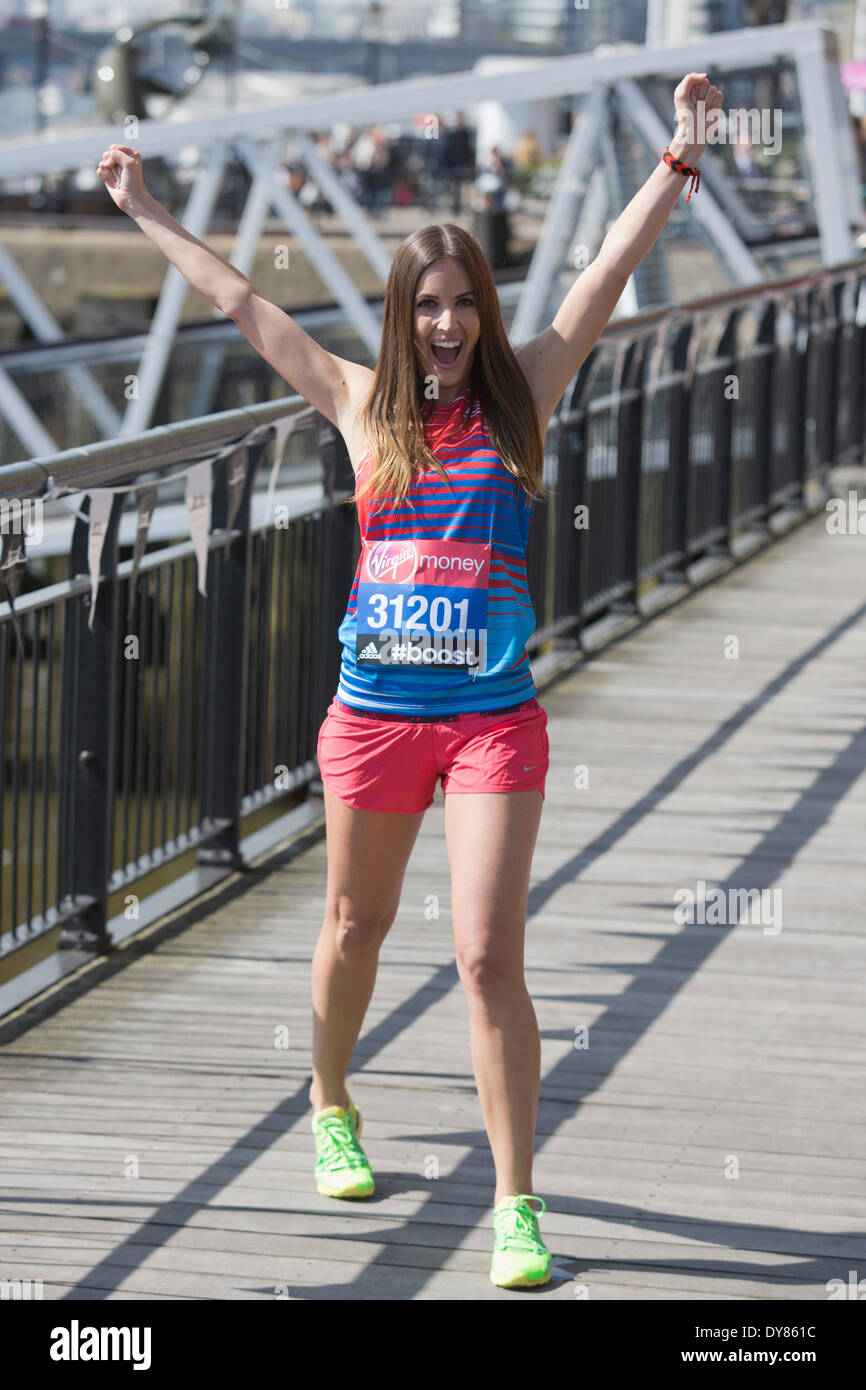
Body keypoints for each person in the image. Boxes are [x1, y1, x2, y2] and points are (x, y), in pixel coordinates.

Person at [95, 71, 721, 1292]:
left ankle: (514, 1205)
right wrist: (147, 208)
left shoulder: (524, 393)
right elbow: (239, 301)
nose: (445, 324)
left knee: (488, 956)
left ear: (485, 314)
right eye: (427, 305)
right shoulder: (355, 402)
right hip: (376, 721)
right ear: (401, 315)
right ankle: (330, 1099)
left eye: (462, 305)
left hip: (490, 720)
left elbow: (600, 271)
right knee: (355, 925)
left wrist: (680, 156)